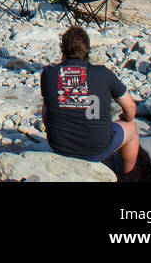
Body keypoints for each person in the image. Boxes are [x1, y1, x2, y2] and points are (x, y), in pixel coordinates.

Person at [41, 26, 140, 177]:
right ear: (87, 50)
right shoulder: (103, 73)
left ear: (63, 51)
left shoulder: (48, 74)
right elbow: (130, 106)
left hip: (59, 146)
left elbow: (46, 112)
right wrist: (128, 118)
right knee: (131, 128)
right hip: (97, 149)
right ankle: (129, 175)